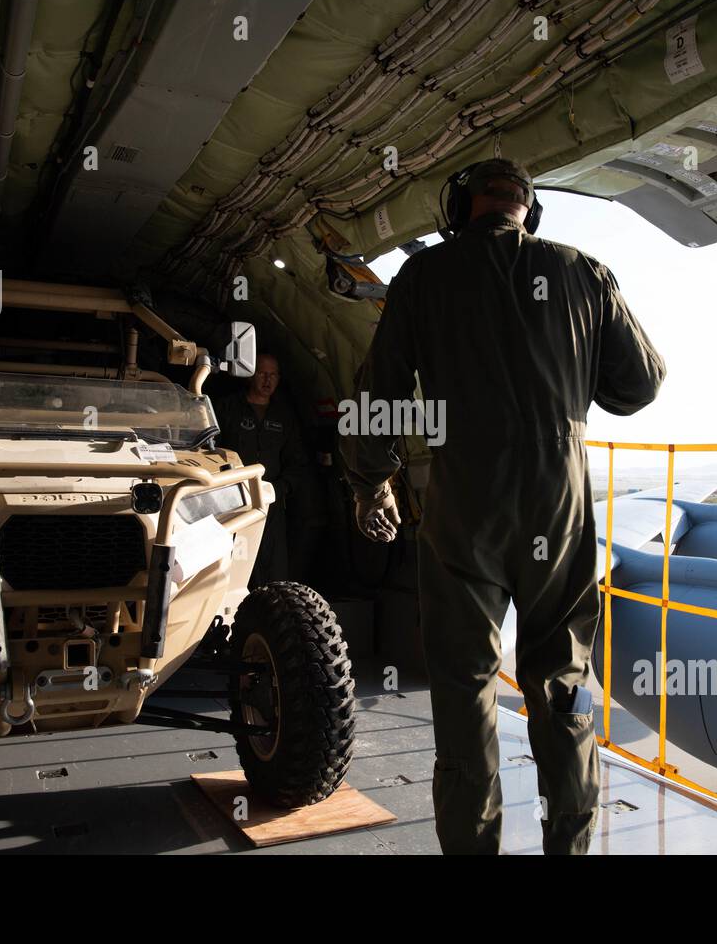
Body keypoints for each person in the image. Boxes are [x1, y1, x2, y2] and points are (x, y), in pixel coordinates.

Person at [340, 158, 666, 854]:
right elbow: (639, 385)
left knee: (465, 689)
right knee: (564, 682)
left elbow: (380, 396)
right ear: (530, 209)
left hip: (467, 508)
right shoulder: (585, 271)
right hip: (560, 504)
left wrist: (372, 481)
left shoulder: (424, 278)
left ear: (462, 209)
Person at [214, 353, 311, 587]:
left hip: (271, 503)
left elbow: (297, 461)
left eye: (273, 375)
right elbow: (209, 450)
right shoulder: (227, 408)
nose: (268, 380)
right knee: (235, 567)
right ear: (250, 376)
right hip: (233, 503)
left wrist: (280, 489)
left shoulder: (285, 415)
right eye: (262, 374)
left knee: (274, 570)